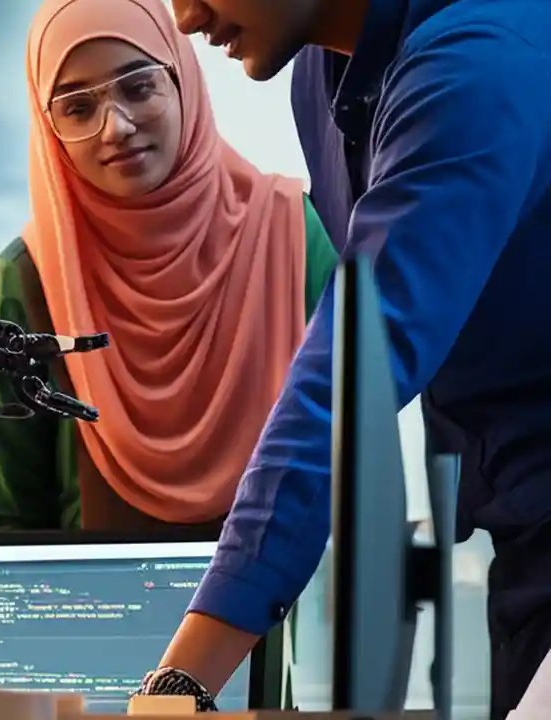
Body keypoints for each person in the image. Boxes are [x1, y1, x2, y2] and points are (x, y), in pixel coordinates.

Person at [135, 0, 551, 717]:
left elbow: (347, 380)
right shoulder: (320, 79)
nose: (188, 17)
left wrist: (179, 684)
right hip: (520, 530)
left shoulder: (480, 64)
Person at [0, 0, 337, 534]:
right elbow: (5, 533)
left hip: (290, 612)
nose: (115, 127)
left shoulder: (294, 236)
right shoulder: (27, 281)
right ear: (48, 129)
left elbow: (354, 477)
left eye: (138, 88)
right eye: (76, 108)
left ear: (182, 79)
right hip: (90, 615)